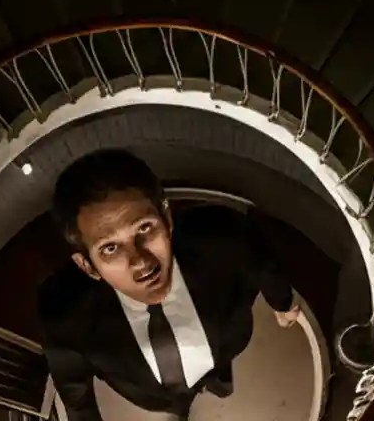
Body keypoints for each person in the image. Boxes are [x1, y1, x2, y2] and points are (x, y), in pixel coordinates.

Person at [36, 149, 301, 421]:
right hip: (153, 394)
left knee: (219, 376)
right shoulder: (63, 314)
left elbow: (263, 262)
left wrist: (282, 303)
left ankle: (216, 381)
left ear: (167, 219)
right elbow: (77, 399)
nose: (140, 261)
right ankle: (180, 408)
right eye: (110, 247)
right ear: (87, 265)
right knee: (176, 405)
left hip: (223, 350)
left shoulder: (224, 235)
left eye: (144, 228)